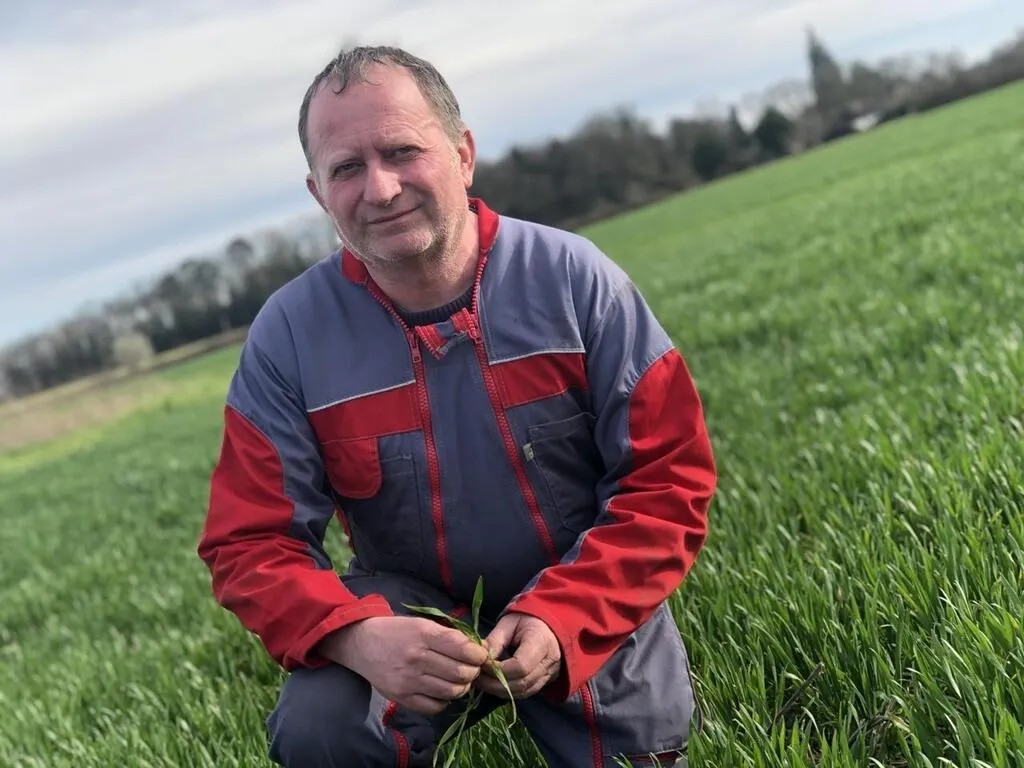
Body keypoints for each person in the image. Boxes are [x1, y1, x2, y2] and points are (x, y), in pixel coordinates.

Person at [197, 44, 716, 768]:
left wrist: (563, 615)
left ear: (464, 154)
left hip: (579, 582)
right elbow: (248, 543)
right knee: (322, 729)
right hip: (410, 610)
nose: (379, 189)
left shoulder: (576, 283)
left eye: (402, 151)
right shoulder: (288, 339)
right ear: (319, 193)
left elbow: (668, 480)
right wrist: (355, 636)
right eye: (347, 167)